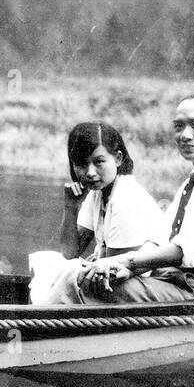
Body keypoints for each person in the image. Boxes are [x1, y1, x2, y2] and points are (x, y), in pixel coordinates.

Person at [73, 92, 194, 303]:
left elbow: (183, 251)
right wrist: (128, 269)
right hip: (181, 279)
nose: (185, 135)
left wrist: (125, 262)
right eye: (179, 126)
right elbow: (164, 239)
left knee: (91, 286)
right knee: (96, 278)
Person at [28, 122, 165, 304]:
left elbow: (114, 267)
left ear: (118, 158)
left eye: (99, 162)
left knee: (68, 275)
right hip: (112, 273)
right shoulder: (98, 192)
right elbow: (70, 252)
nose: (90, 173)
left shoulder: (124, 198)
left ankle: (37, 321)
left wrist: (87, 265)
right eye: (81, 164)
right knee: (47, 261)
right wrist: (70, 206)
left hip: (143, 283)